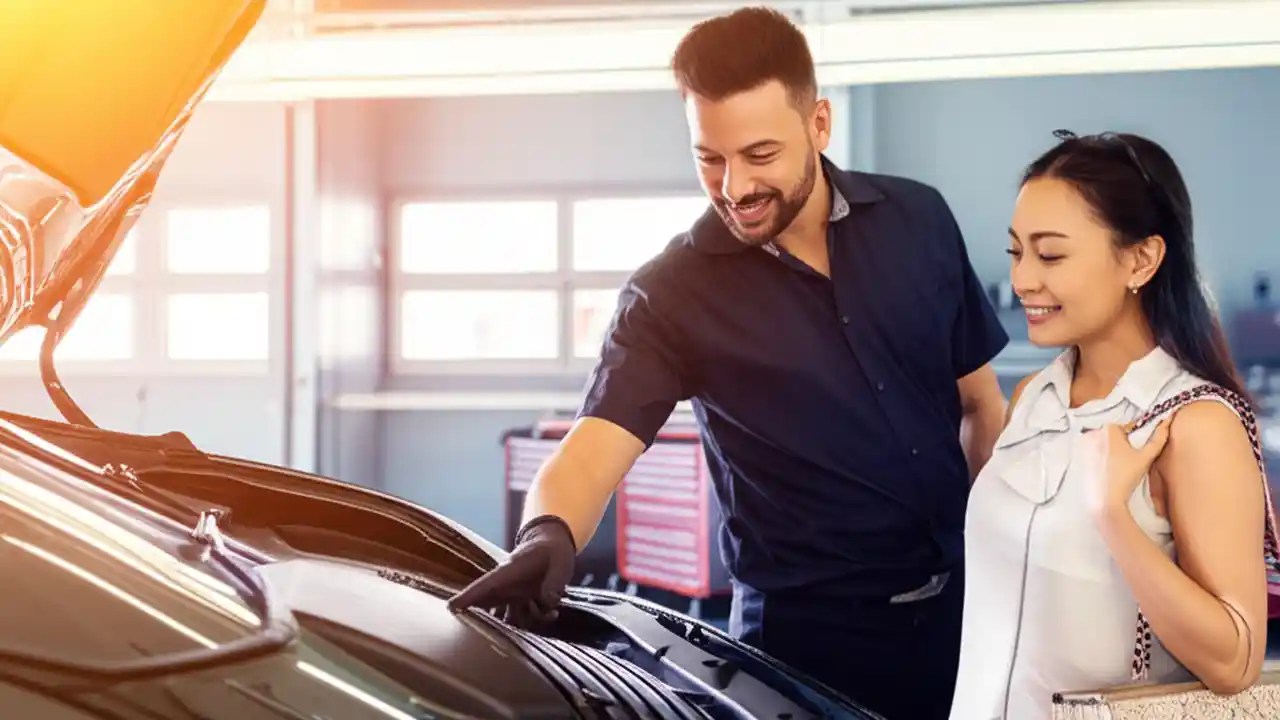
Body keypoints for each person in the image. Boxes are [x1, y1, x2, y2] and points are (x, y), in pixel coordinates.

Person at [448, 7, 1009, 718]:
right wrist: (547, 533)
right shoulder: (673, 294)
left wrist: (1008, 555)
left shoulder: (919, 220)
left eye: (760, 155)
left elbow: (980, 407)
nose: (734, 187)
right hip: (801, 655)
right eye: (709, 158)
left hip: (961, 621)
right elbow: (594, 450)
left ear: (820, 125)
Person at [949, 130, 1278, 719]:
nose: (1023, 279)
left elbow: (1235, 662)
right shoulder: (1031, 397)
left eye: (1050, 254)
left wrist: (1112, 516)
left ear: (1141, 259)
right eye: (1016, 252)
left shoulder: (1193, 423)